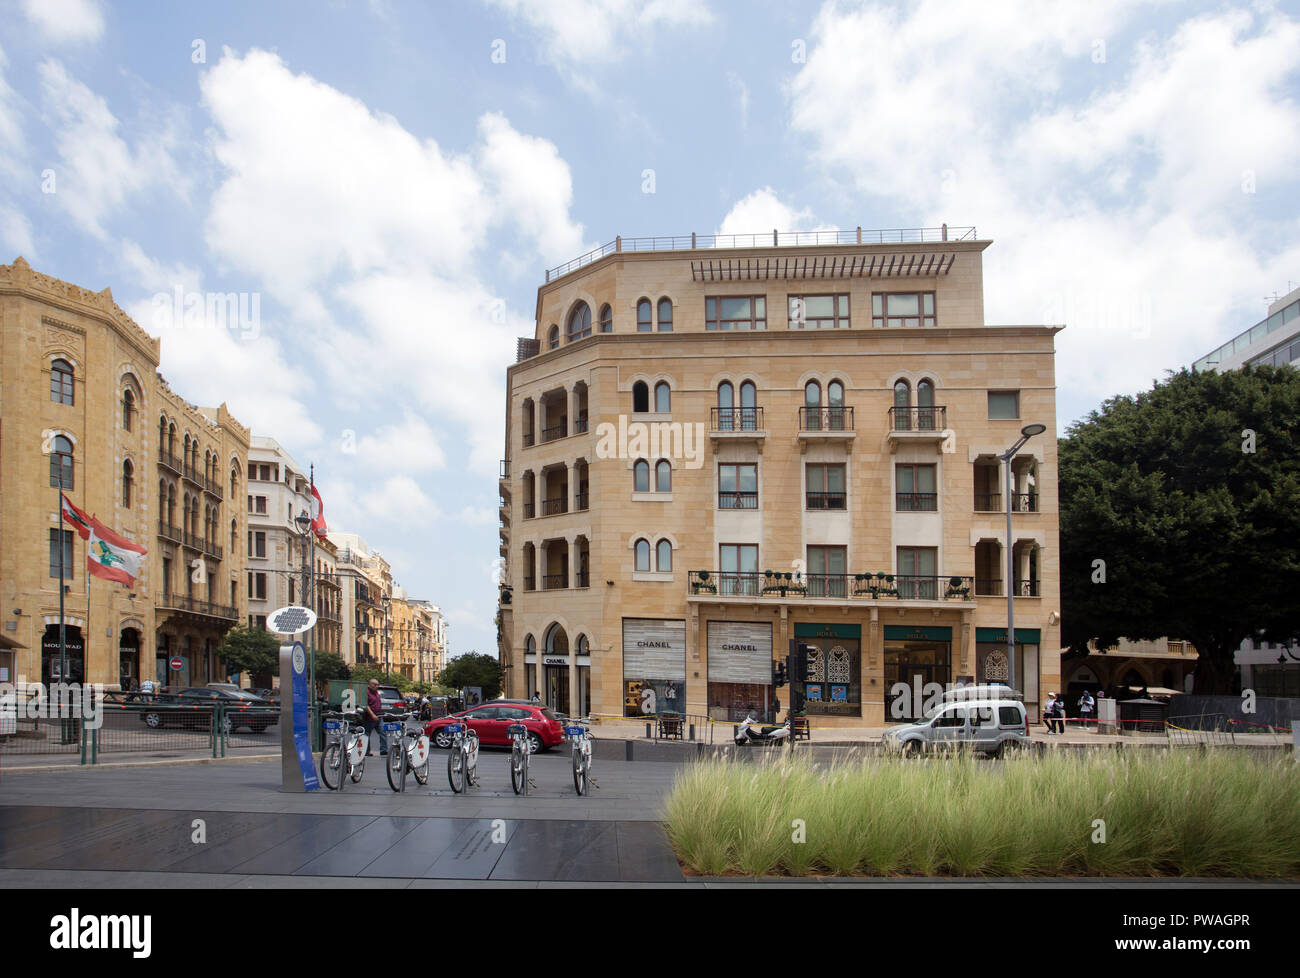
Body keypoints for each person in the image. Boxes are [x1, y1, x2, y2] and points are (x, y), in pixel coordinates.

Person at [364, 679, 386, 756]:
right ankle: (366, 751)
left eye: (377, 685)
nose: (377, 686)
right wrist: (372, 715)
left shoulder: (376, 692)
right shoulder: (366, 692)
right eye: (375, 684)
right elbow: (366, 705)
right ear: (369, 685)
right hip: (369, 717)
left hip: (379, 716)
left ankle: (384, 750)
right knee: (367, 734)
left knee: (383, 732)